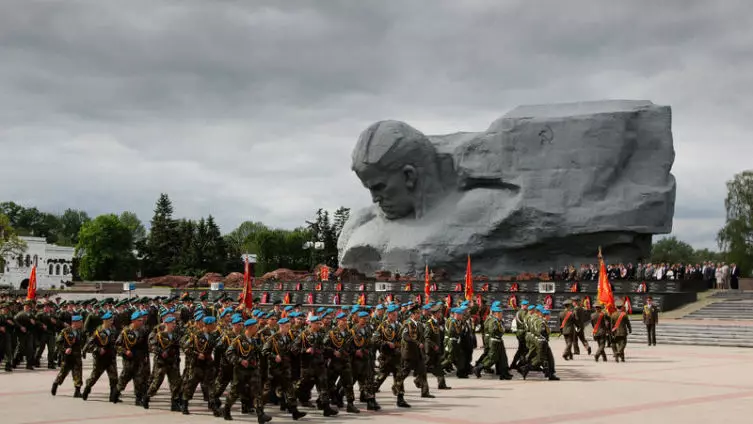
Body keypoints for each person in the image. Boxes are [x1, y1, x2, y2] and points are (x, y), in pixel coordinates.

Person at [82, 311, 119, 402]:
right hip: (100, 358)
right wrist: (98, 349)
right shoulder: (98, 331)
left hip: (110, 357)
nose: (112, 322)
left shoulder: (113, 330)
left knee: (114, 378)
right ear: (105, 321)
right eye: (110, 320)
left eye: (112, 320)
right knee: (94, 377)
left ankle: (113, 397)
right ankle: (87, 389)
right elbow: (90, 344)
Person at [51, 314, 85, 398]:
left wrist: (83, 351)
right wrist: (64, 349)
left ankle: (77, 391)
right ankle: (55, 384)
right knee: (63, 373)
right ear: (74, 322)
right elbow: (58, 342)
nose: (81, 323)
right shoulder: (65, 331)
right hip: (67, 357)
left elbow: (81, 343)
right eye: (80, 322)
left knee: (78, 373)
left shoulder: (79, 332)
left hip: (77, 356)